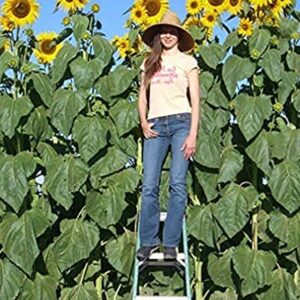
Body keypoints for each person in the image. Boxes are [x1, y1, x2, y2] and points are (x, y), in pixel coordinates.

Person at [137, 11, 200, 260]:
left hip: (181, 123)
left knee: (177, 183)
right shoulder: (149, 62)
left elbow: (195, 101)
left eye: (172, 31)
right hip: (155, 125)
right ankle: (149, 242)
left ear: (178, 35)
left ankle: (171, 243)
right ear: (157, 35)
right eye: (163, 31)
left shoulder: (188, 62)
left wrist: (192, 134)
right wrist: (143, 121)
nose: (168, 35)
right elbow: (142, 96)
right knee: (149, 185)